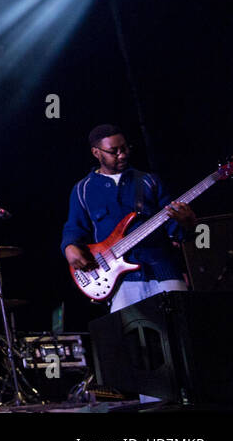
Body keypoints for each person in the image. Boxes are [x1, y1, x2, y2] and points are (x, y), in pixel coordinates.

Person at [61, 124, 195, 314]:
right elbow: (74, 228)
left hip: (165, 272)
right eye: (113, 151)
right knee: (133, 339)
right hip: (122, 282)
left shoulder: (150, 181)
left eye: (124, 148)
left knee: (184, 334)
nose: (122, 155)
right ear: (96, 153)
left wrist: (187, 222)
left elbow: (178, 233)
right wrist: (69, 247)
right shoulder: (82, 189)